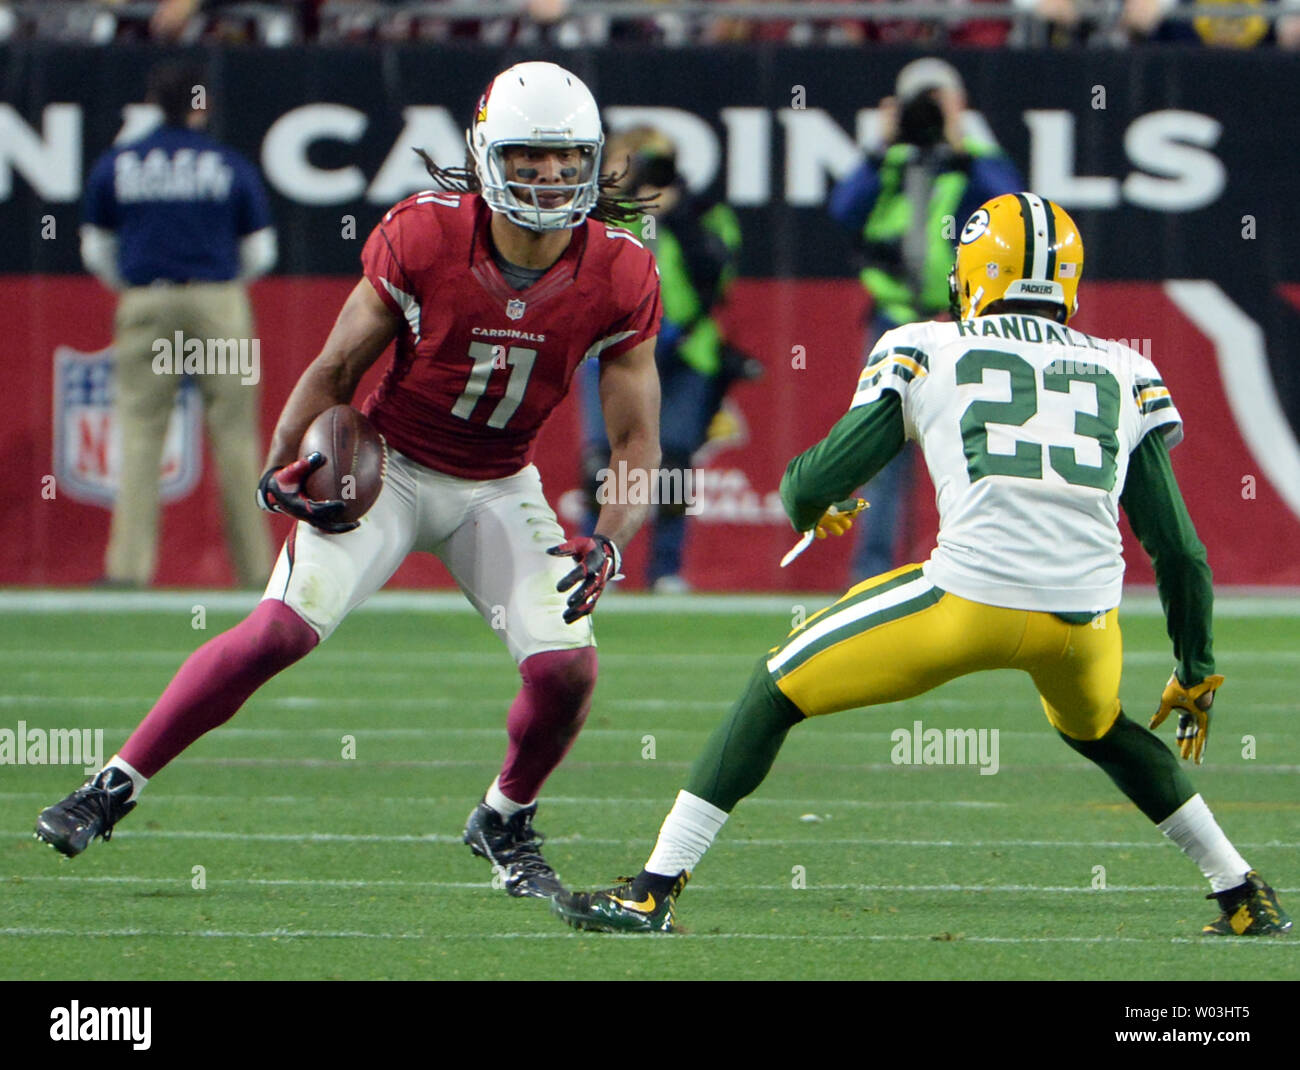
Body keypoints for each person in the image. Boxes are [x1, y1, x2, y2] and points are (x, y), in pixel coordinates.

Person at [551, 193, 1291, 937]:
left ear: (971, 270)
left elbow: (807, 482)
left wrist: (818, 505)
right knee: (1100, 729)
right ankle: (1243, 894)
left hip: (965, 605)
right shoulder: (1125, 368)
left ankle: (652, 890)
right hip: (1084, 624)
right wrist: (1195, 668)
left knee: (775, 688)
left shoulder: (930, 346)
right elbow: (1181, 551)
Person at [37, 61, 663, 901]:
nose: (548, 176)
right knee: (279, 632)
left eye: (564, 158)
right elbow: (336, 367)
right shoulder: (428, 236)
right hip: (389, 469)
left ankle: (505, 817)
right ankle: (110, 785)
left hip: (498, 484)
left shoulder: (620, 271)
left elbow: (636, 441)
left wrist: (613, 543)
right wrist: (281, 463)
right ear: (486, 158)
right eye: (526, 157)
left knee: (566, 670)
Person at [81, 60, 277, 588]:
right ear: (202, 104)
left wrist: (135, 287)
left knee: (141, 433)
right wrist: (220, 288)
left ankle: (126, 572)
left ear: (152, 102)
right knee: (236, 437)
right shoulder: (226, 163)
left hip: (147, 299)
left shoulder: (121, 163)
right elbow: (260, 250)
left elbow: (96, 246)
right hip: (217, 300)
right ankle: (257, 573)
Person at [828, 58, 1022, 582]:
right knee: (884, 455)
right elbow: (842, 210)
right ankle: (868, 576)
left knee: (973, 453)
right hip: (895, 323)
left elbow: (1012, 204)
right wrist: (879, 147)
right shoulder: (889, 161)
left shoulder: (974, 159)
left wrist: (961, 142)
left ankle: (976, 571)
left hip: (961, 324)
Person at [579, 126, 752, 591]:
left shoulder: (703, 212)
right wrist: (614, 195)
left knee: (673, 459)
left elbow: (720, 277)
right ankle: (596, 558)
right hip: (611, 350)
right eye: (635, 161)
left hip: (686, 351)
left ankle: (666, 568)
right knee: (602, 460)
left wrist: (678, 218)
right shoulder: (600, 213)